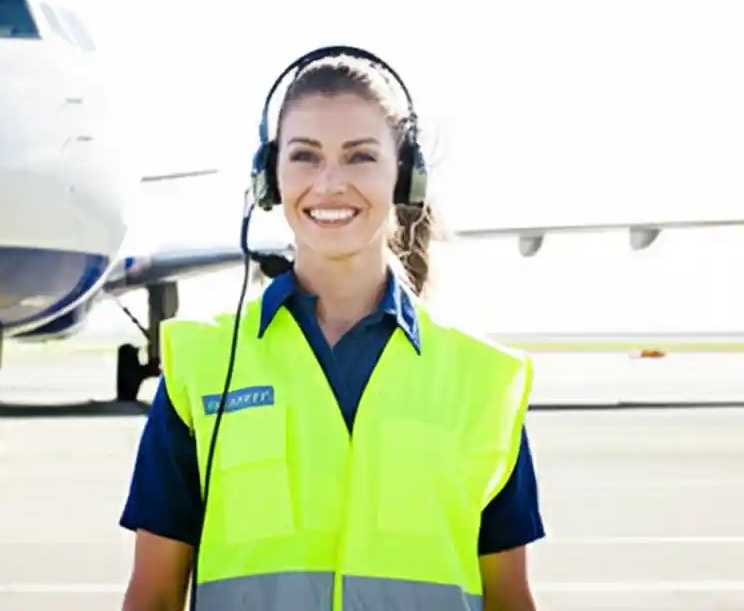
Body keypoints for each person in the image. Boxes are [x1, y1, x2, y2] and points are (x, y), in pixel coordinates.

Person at [118, 47, 544, 611]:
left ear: (405, 176)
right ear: (270, 178)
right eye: (305, 156)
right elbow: (153, 595)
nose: (329, 183)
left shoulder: (483, 381)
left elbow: (509, 599)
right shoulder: (200, 367)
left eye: (360, 157)